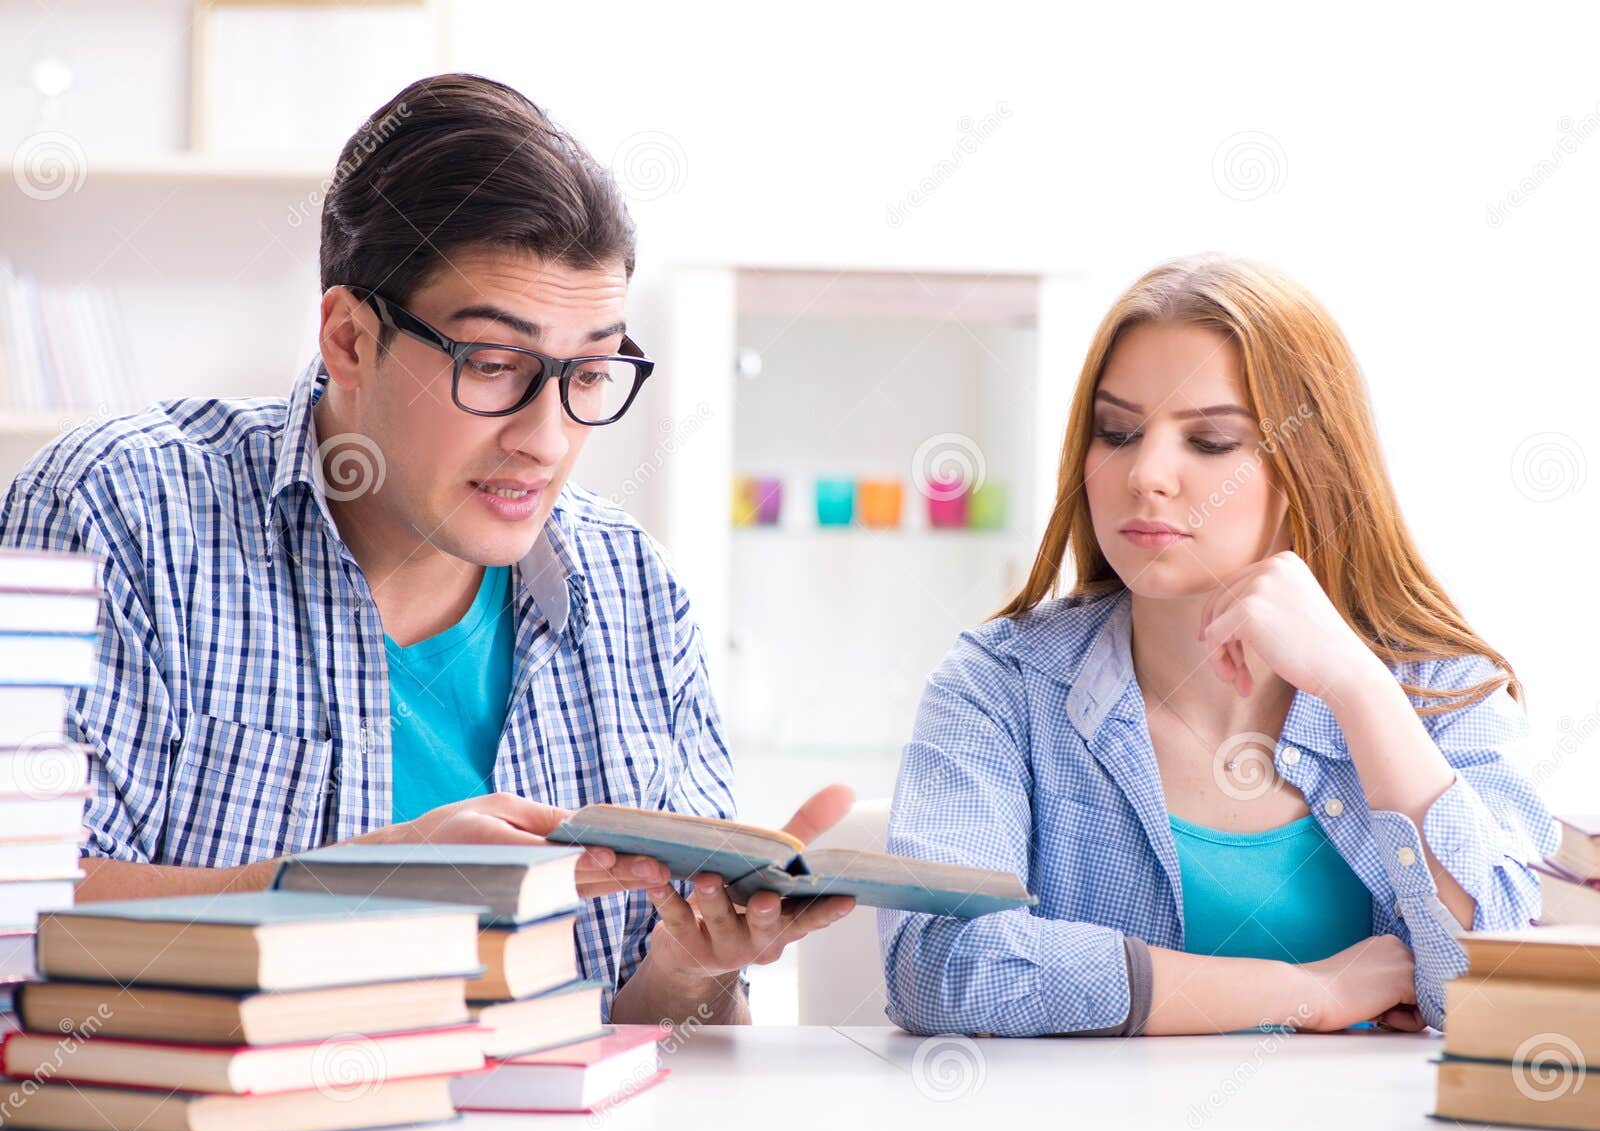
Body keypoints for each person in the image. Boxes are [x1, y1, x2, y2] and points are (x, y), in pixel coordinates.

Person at [0, 74, 853, 1026]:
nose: (548, 437)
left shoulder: (634, 591)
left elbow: (657, 1043)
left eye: (592, 372)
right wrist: (346, 888)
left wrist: (696, 968)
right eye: (493, 365)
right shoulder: (123, 515)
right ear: (350, 339)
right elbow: (18, 918)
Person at [880, 253, 1550, 1036]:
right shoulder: (1000, 685)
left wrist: (1362, 689)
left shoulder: (1442, 687)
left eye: (1210, 440)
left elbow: (1502, 989)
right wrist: (1306, 990)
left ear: (1313, 467)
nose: (1146, 473)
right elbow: (937, 964)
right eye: (1117, 431)